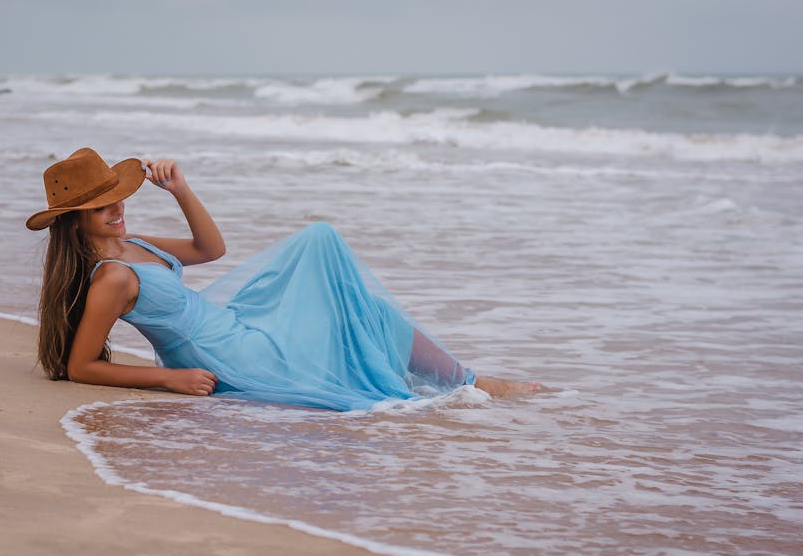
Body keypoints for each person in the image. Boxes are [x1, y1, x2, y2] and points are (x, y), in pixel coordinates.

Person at [27, 147, 541, 411]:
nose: (117, 208)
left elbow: (211, 250)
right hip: (232, 356)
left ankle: (466, 383)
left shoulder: (133, 244)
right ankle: (465, 385)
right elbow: (81, 367)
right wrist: (169, 378)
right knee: (323, 245)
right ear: (74, 220)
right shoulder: (112, 278)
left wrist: (181, 189)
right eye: (101, 206)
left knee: (368, 310)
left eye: (117, 197)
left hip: (235, 327)